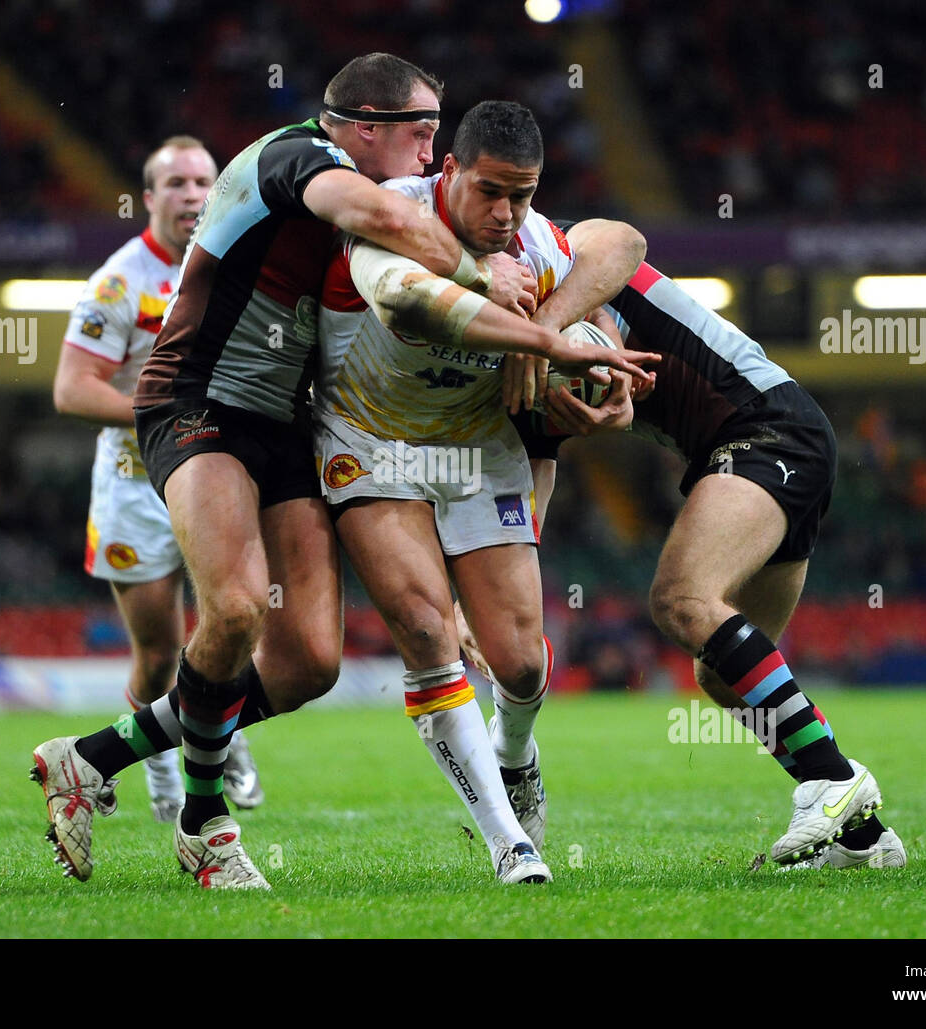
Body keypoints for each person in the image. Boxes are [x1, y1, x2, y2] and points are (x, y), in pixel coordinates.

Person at [30, 53, 637, 890]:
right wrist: (478, 275)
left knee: (309, 660)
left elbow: (613, 241)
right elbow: (370, 216)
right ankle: (207, 822)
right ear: (363, 126)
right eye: (420, 135)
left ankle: (93, 756)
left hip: (286, 417)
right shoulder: (296, 156)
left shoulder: (430, 203)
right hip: (199, 396)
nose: (428, 156)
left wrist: (572, 348)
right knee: (237, 606)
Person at [314, 100, 650, 883]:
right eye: (490, 192)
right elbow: (401, 296)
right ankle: (511, 844)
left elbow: (623, 247)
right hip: (370, 444)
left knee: (521, 665)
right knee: (429, 634)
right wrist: (536, 337)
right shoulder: (391, 211)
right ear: (449, 171)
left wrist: (590, 357)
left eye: (523, 196)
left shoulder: (533, 243)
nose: (506, 215)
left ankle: (515, 752)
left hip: (476, 448)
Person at [502, 256, 906, 869]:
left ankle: (829, 778)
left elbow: (622, 236)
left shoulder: (561, 257)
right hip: (765, 446)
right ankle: (864, 839)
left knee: (681, 601)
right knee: (721, 673)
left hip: (768, 428)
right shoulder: (516, 367)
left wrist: (551, 331)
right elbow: (535, 484)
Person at [44, 136, 263, 833]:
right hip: (135, 485)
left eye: (203, 181)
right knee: (160, 651)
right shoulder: (119, 281)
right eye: (175, 183)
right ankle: (166, 774)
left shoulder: (239, 265)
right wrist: (165, 411)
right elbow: (72, 389)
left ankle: (223, 734)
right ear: (149, 197)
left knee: (233, 617)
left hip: (210, 471)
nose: (192, 194)